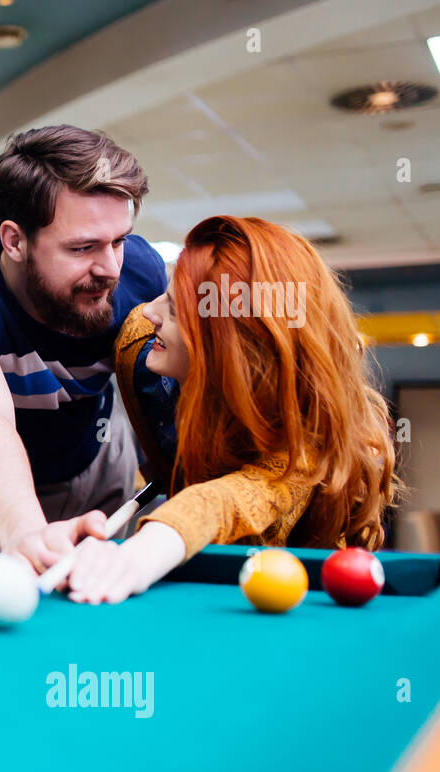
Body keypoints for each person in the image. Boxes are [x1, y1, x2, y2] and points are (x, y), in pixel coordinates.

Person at [58, 215, 398, 604]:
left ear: (226, 342)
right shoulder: (139, 347)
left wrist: (146, 549)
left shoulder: (306, 433)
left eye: (172, 308)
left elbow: (231, 499)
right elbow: (168, 462)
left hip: (308, 577)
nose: (149, 312)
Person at [0, 124, 167, 572]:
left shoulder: (141, 274)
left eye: (119, 240)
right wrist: (25, 536)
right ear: (14, 240)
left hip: (100, 468)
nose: (111, 268)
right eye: (83, 247)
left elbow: (165, 405)